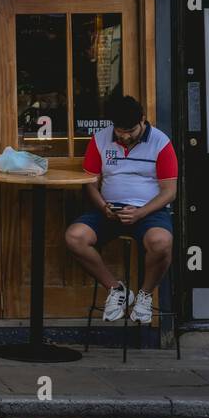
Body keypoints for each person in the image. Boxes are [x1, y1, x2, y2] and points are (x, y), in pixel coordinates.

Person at [65, 95, 177, 324]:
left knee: (162, 242)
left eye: (130, 131)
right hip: (109, 211)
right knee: (74, 237)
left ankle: (145, 295)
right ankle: (117, 290)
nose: (124, 136)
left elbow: (169, 192)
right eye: (119, 130)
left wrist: (141, 212)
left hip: (149, 212)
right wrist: (102, 206)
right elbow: (90, 183)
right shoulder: (100, 140)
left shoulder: (161, 142)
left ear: (142, 121)